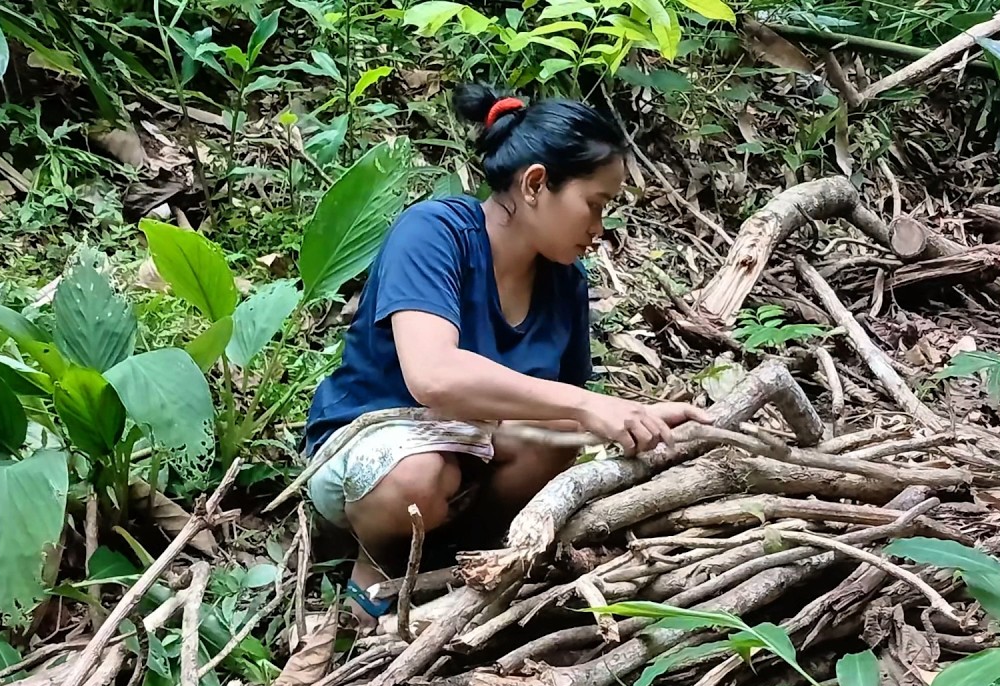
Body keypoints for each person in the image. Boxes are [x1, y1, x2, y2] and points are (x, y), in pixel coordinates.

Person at [300, 83, 712, 626]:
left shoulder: (565, 282)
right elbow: (433, 375)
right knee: (420, 475)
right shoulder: (436, 234)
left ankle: (466, 560)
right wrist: (585, 406)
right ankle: (372, 574)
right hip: (375, 448)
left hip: (473, 457)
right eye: (594, 204)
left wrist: (634, 417)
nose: (599, 228)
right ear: (536, 183)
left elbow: (556, 410)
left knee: (557, 437)